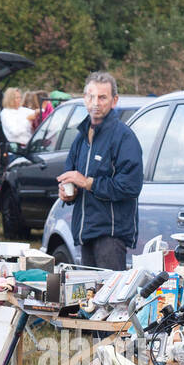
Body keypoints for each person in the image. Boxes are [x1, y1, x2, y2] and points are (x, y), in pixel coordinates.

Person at [57, 71, 143, 271]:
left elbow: (130, 186)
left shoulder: (124, 137)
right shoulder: (80, 137)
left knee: (110, 300)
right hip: (85, 233)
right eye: (91, 96)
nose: (95, 102)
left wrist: (88, 183)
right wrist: (67, 194)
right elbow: (71, 177)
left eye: (102, 97)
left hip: (110, 236)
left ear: (114, 101)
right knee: (90, 300)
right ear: (84, 99)